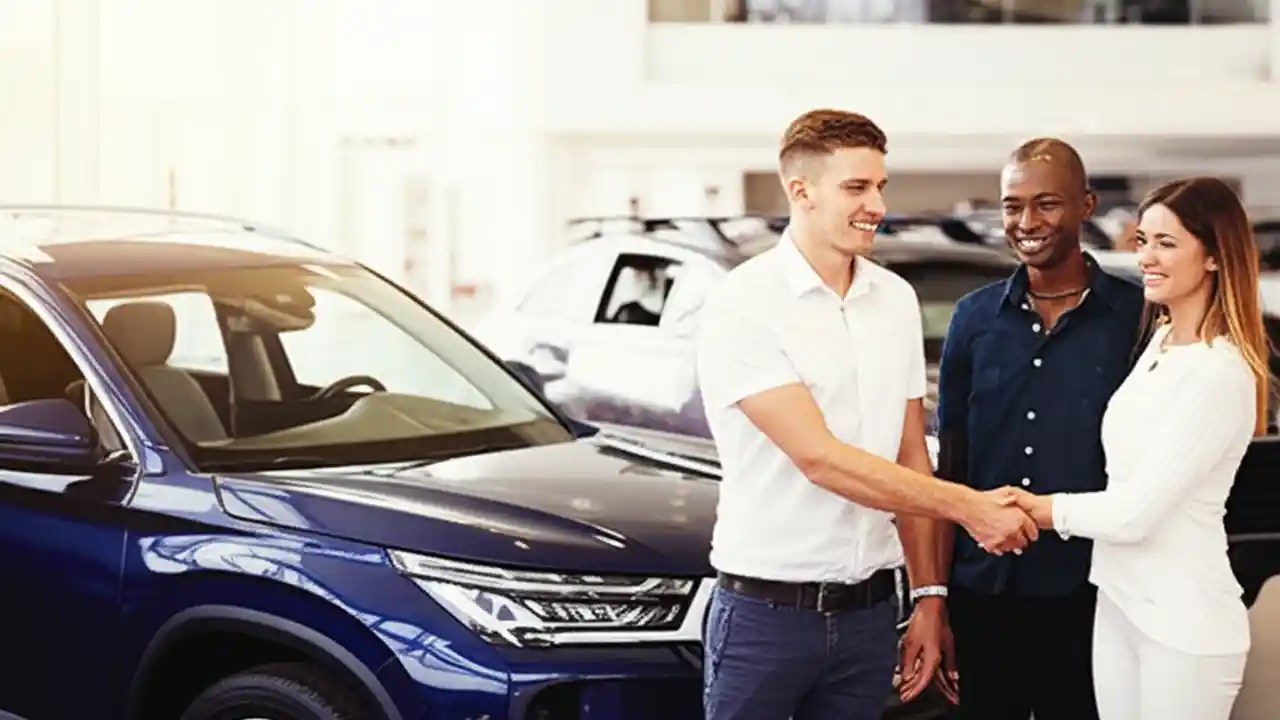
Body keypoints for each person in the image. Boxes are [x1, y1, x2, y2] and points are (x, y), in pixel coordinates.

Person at [695, 108, 1037, 720]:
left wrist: (930, 597)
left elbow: (910, 454)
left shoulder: (895, 300)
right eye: (856, 187)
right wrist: (973, 507)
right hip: (765, 619)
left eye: (880, 186)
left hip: (871, 617)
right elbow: (820, 459)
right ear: (800, 191)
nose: (876, 204)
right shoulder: (741, 304)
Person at [1006, 177, 1267, 720]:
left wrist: (1035, 508)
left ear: (1215, 257)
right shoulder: (1162, 340)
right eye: (1143, 240)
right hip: (1121, 600)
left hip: (1184, 622)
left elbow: (1134, 513)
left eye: (1166, 244)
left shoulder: (1218, 373)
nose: (1146, 257)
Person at [932, 138, 1145, 720]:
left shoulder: (1137, 317)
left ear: (1086, 205)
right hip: (982, 589)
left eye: (1046, 204)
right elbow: (951, 465)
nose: (1027, 222)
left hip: (1093, 590)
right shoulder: (973, 318)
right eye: (1012, 205)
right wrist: (938, 600)